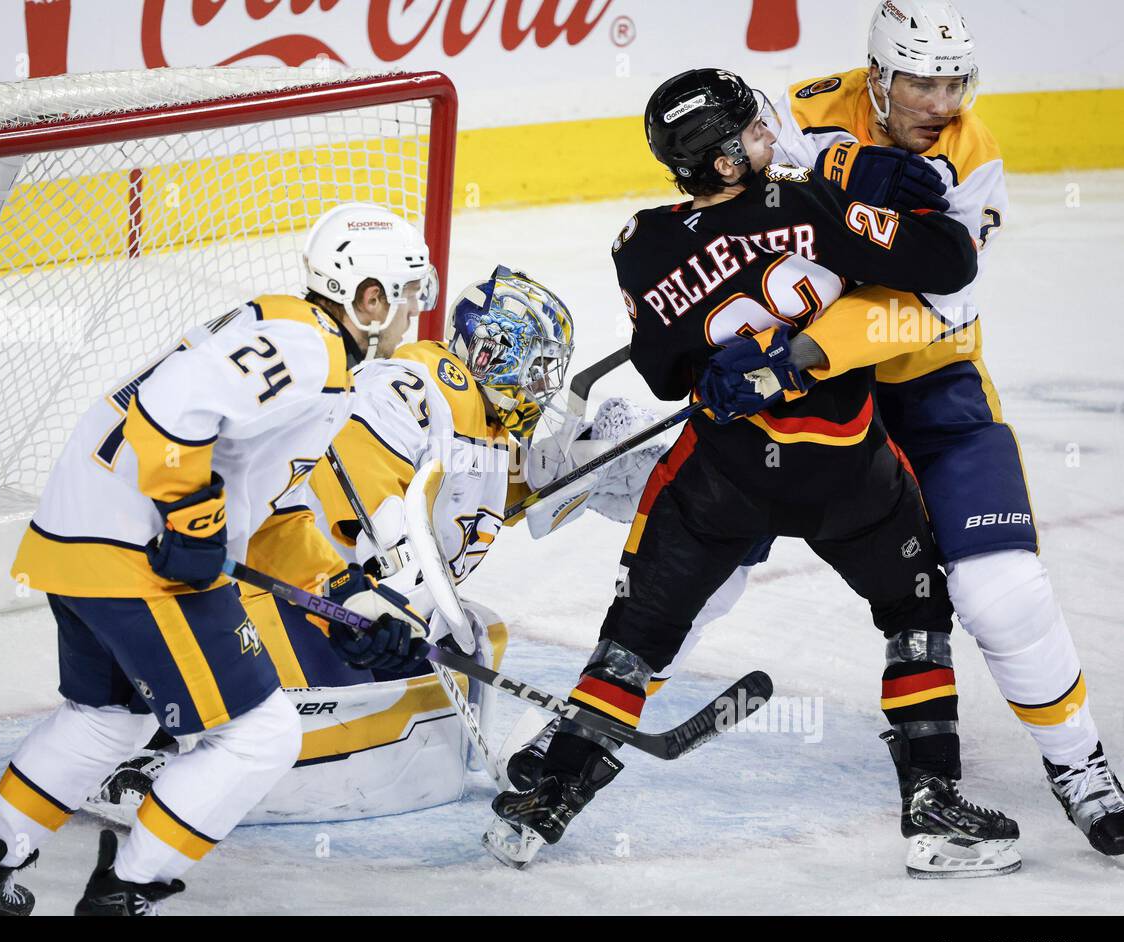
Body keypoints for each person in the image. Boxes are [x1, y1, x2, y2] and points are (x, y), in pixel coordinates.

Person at [487, 67, 1021, 879]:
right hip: (849, 471)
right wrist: (867, 183)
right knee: (915, 614)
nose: (775, 133)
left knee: (636, 637)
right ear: (729, 159)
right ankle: (934, 807)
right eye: (756, 129)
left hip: (721, 478)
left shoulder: (643, 244)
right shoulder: (813, 207)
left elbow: (668, 376)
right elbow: (949, 264)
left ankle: (547, 802)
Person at [663, 0, 1123, 857]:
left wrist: (794, 356)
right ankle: (588, 731)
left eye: (953, 82)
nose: (938, 101)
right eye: (918, 80)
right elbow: (732, 204)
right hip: (806, 398)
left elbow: (932, 305)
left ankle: (1081, 766)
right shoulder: (801, 107)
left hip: (924, 383)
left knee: (1001, 592)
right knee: (704, 557)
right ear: (878, 75)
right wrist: (847, 167)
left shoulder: (974, 155)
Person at [0, 202, 435, 915]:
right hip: (136, 552)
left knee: (110, 718)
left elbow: (268, 510)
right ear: (369, 297)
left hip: (78, 537)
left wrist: (344, 599)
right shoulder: (310, 346)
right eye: (412, 291)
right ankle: (123, 896)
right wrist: (192, 519)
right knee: (261, 733)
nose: (418, 308)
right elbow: (167, 409)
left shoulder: (298, 341)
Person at [91, 266, 666, 825]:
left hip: (341, 599)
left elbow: (517, 493)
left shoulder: (485, 424)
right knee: (322, 678)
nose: (544, 386)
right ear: (494, 354)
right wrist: (387, 578)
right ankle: (152, 752)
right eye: (538, 368)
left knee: (475, 635)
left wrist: (597, 453)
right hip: (293, 589)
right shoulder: (423, 381)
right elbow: (348, 465)